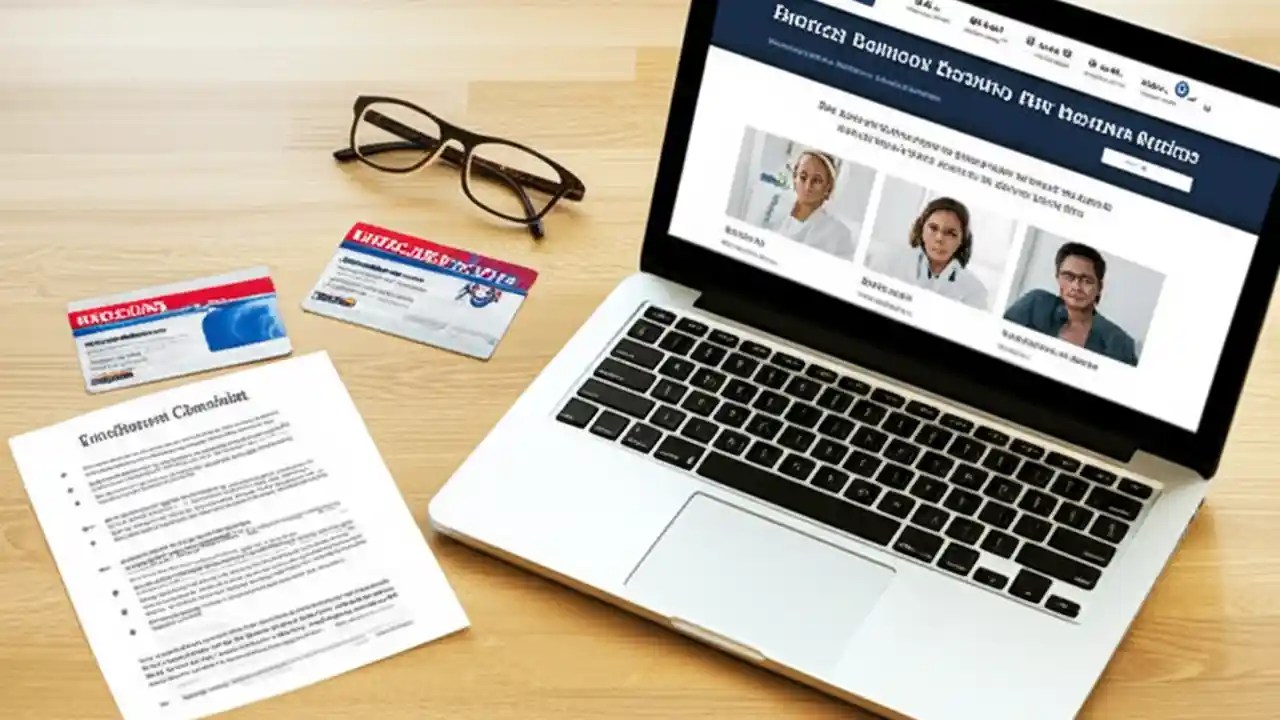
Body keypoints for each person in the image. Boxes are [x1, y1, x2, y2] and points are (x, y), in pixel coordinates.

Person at [1004, 242, 1139, 366]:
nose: (1076, 287)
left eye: (1086, 281)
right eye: (1068, 277)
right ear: (1058, 277)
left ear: (1099, 287)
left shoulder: (1119, 342)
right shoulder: (1035, 304)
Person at [869, 196, 989, 310]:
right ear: (921, 229)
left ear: (962, 240)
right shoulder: (887, 262)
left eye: (950, 233)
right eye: (933, 228)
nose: (939, 238)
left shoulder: (974, 290)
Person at [753, 149, 857, 258]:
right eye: (803, 177)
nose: (808, 186)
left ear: (828, 187)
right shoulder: (773, 214)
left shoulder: (838, 233)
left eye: (817, 180)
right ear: (794, 178)